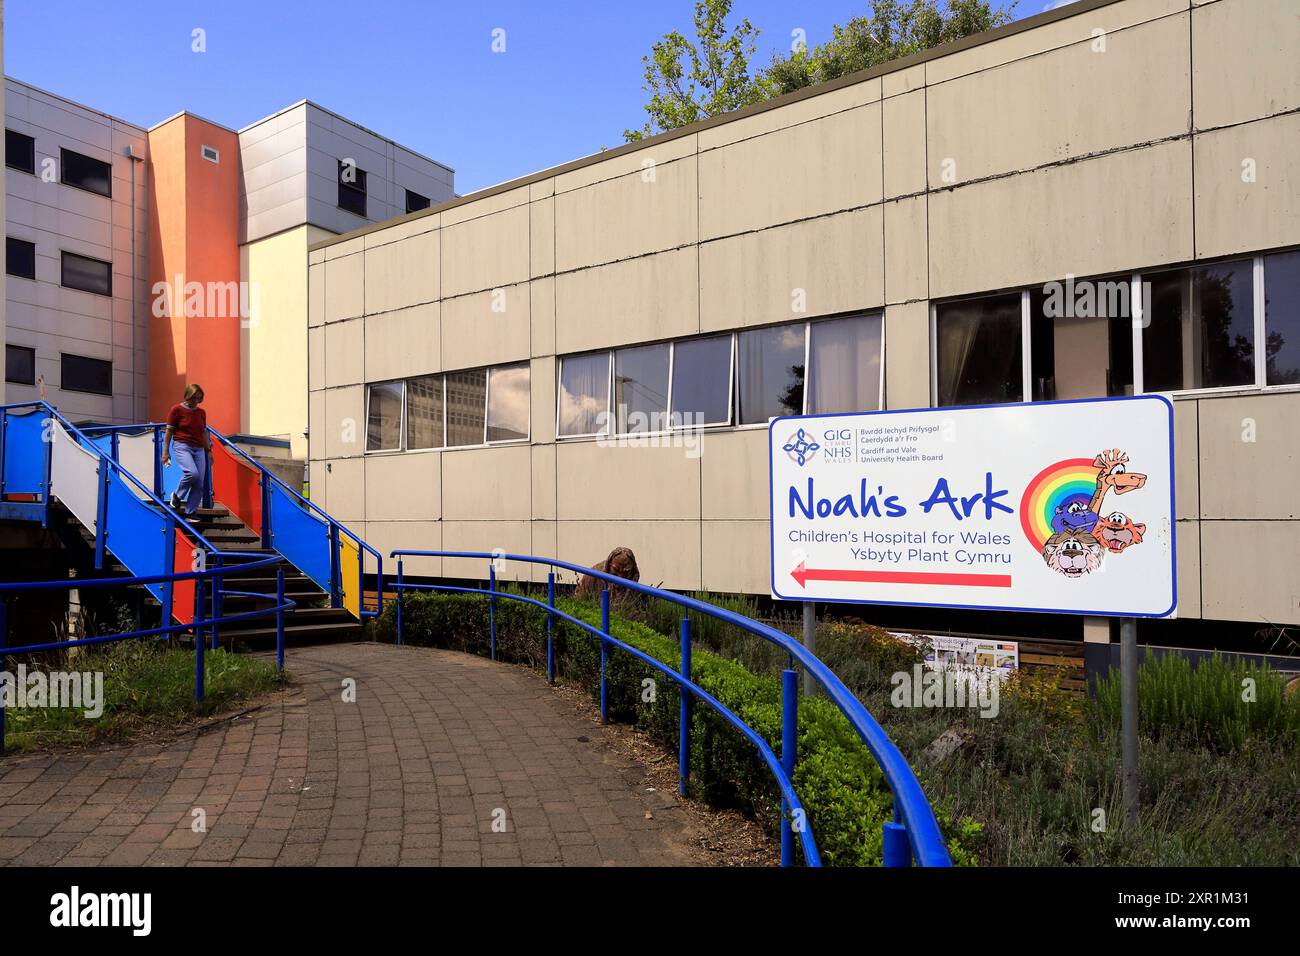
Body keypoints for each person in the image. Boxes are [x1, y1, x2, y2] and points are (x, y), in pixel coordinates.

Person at [162, 384, 212, 517]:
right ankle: (177, 495)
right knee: (192, 473)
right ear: (188, 396)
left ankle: (191, 511)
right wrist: (165, 451)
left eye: (199, 398)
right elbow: (169, 431)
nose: (196, 401)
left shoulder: (201, 413)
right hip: (182, 446)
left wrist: (209, 450)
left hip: (199, 449)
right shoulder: (176, 409)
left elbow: (203, 433)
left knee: (199, 482)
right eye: (194, 398)